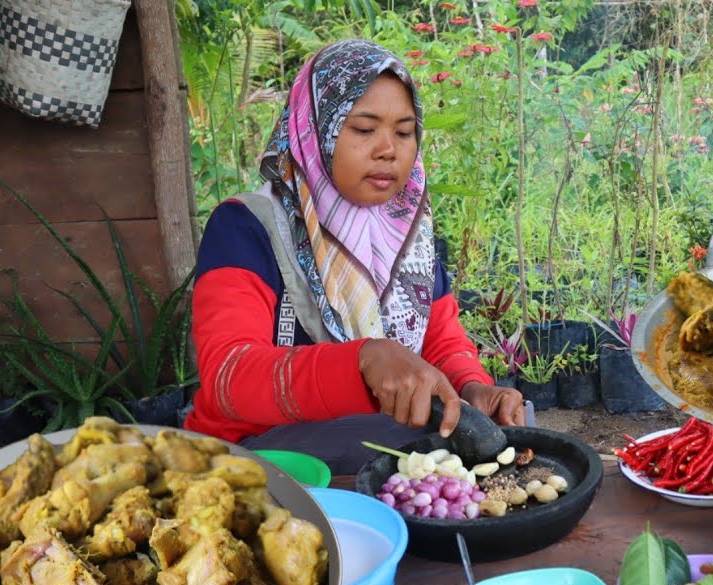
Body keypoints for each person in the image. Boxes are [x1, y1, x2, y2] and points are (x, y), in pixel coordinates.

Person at [184, 39, 524, 474]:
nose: (388, 149)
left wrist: (471, 387)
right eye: (364, 130)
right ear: (315, 129)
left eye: (404, 132)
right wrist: (362, 361)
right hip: (252, 456)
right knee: (418, 453)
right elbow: (228, 377)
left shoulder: (407, 230)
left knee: (479, 443)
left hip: (366, 439)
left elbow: (439, 337)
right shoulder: (246, 228)